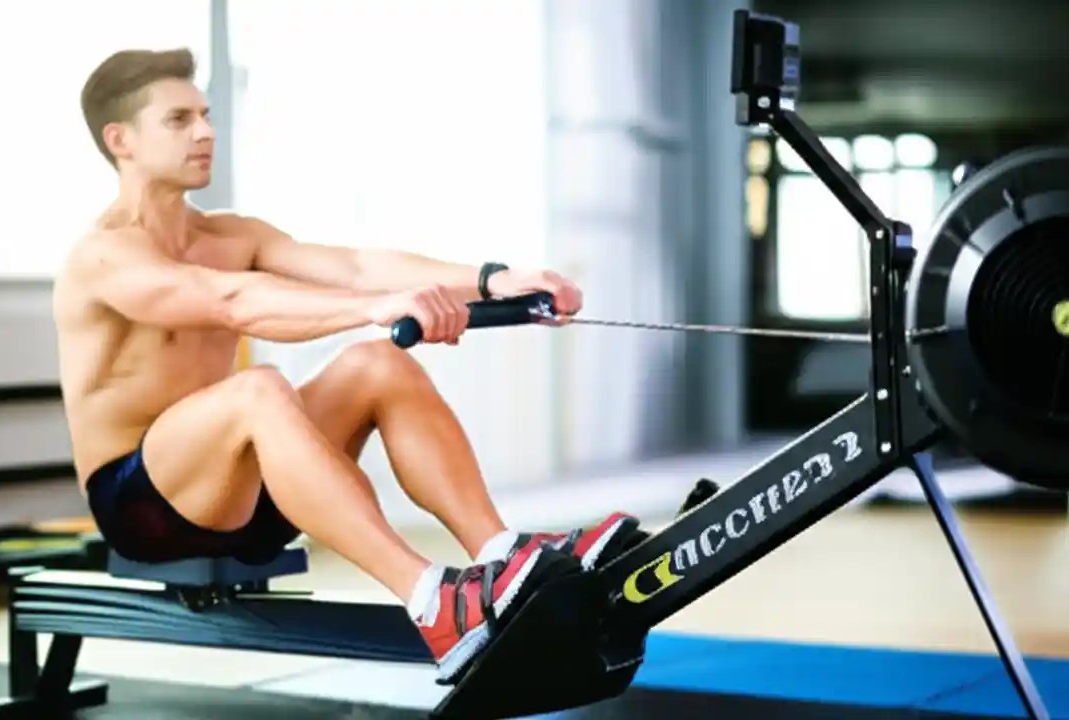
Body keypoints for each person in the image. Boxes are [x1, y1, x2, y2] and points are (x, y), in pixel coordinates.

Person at [54, 47, 644, 684]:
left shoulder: (234, 235)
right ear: (121, 140)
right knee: (259, 389)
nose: (205, 131)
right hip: (145, 508)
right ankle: (432, 600)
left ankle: (501, 551)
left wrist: (493, 279)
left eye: (204, 114)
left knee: (375, 363)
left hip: (245, 494)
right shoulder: (103, 257)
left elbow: (358, 266)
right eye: (178, 119)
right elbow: (231, 302)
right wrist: (373, 306)